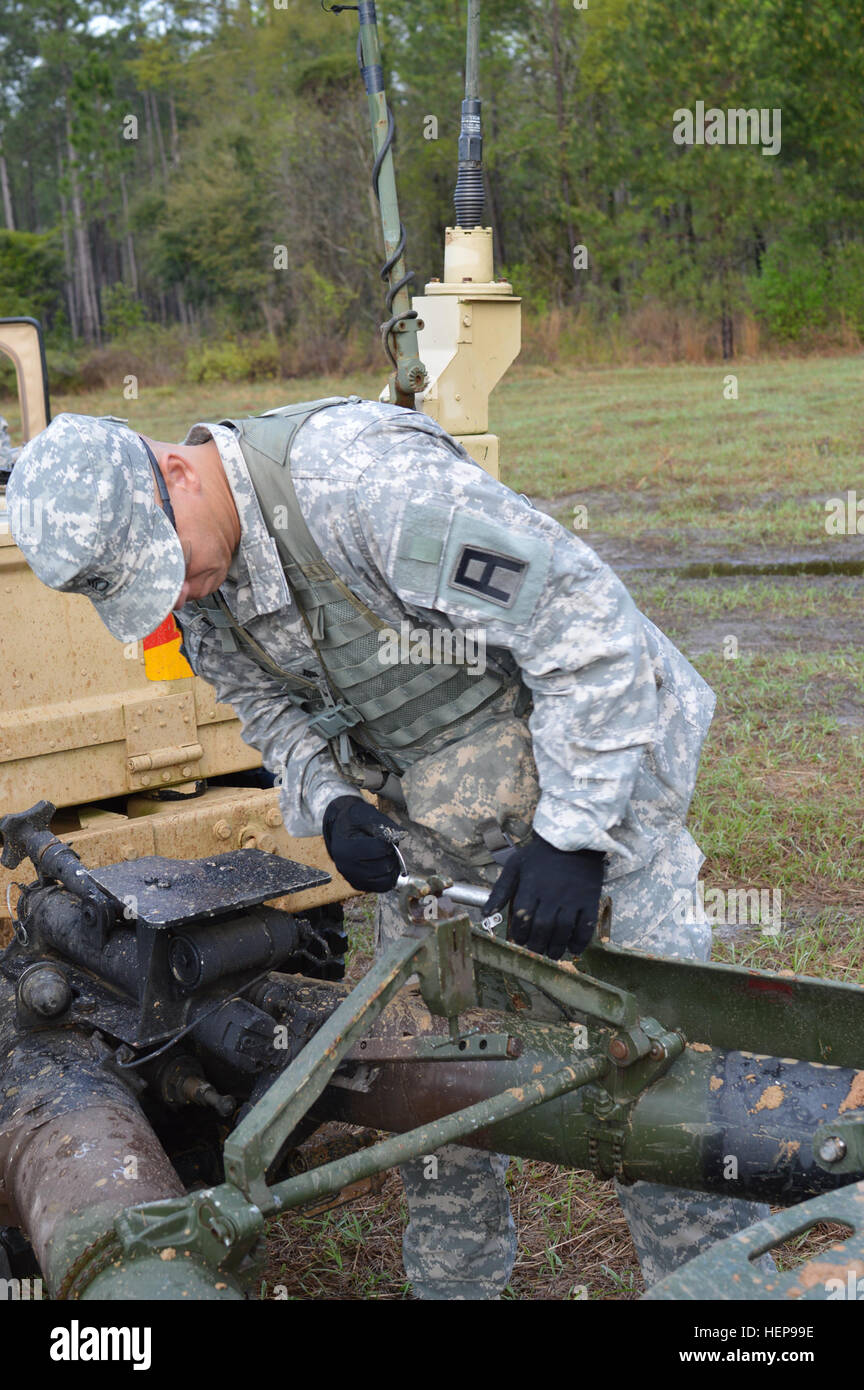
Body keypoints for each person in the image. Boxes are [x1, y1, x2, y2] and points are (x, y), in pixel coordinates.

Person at [7, 398, 771, 1299]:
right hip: (435, 847)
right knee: (428, 1117)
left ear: (175, 472)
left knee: (671, 1110)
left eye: (166, 569)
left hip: (601, 827)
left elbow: (585, 625)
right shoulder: (199, 579)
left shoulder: (364, 487)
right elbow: (267, 707)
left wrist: (574, 834)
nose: (176, 597)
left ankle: (737, 1325)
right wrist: (330, 799)